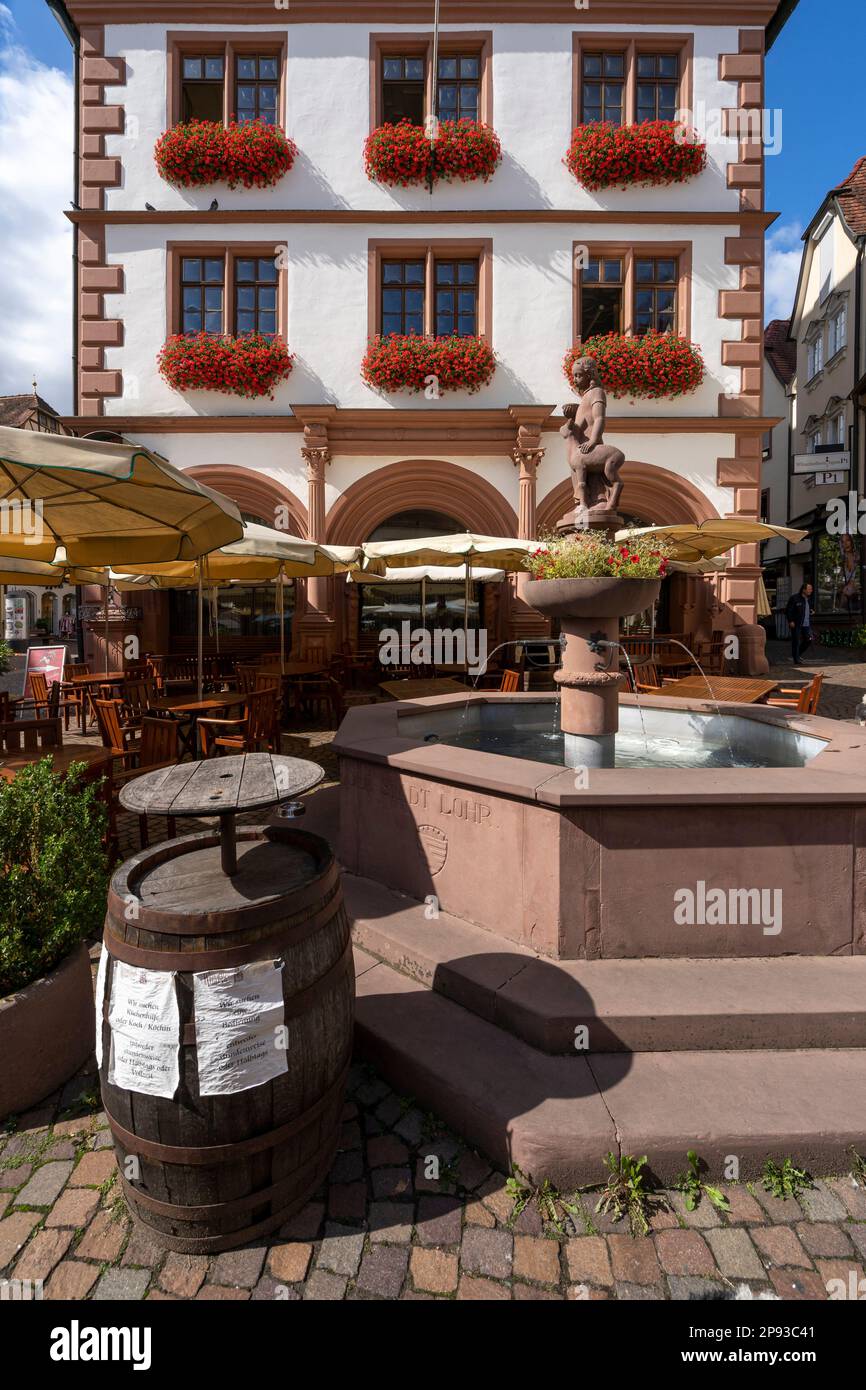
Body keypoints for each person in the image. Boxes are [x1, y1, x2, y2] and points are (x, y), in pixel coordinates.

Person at [786, 582, 814, 665]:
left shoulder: (809, 599)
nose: (811, 590)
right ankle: (796, 659)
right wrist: (790, 621)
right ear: (804, 590)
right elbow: (788, 610)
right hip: (796, 623)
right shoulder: (794, 598)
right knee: (796, 641)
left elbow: (808, 608)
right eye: (809, 589)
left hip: (806, 624)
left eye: (811, 589)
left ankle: (798, 654)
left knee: (809, 639)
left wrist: (811, 611)